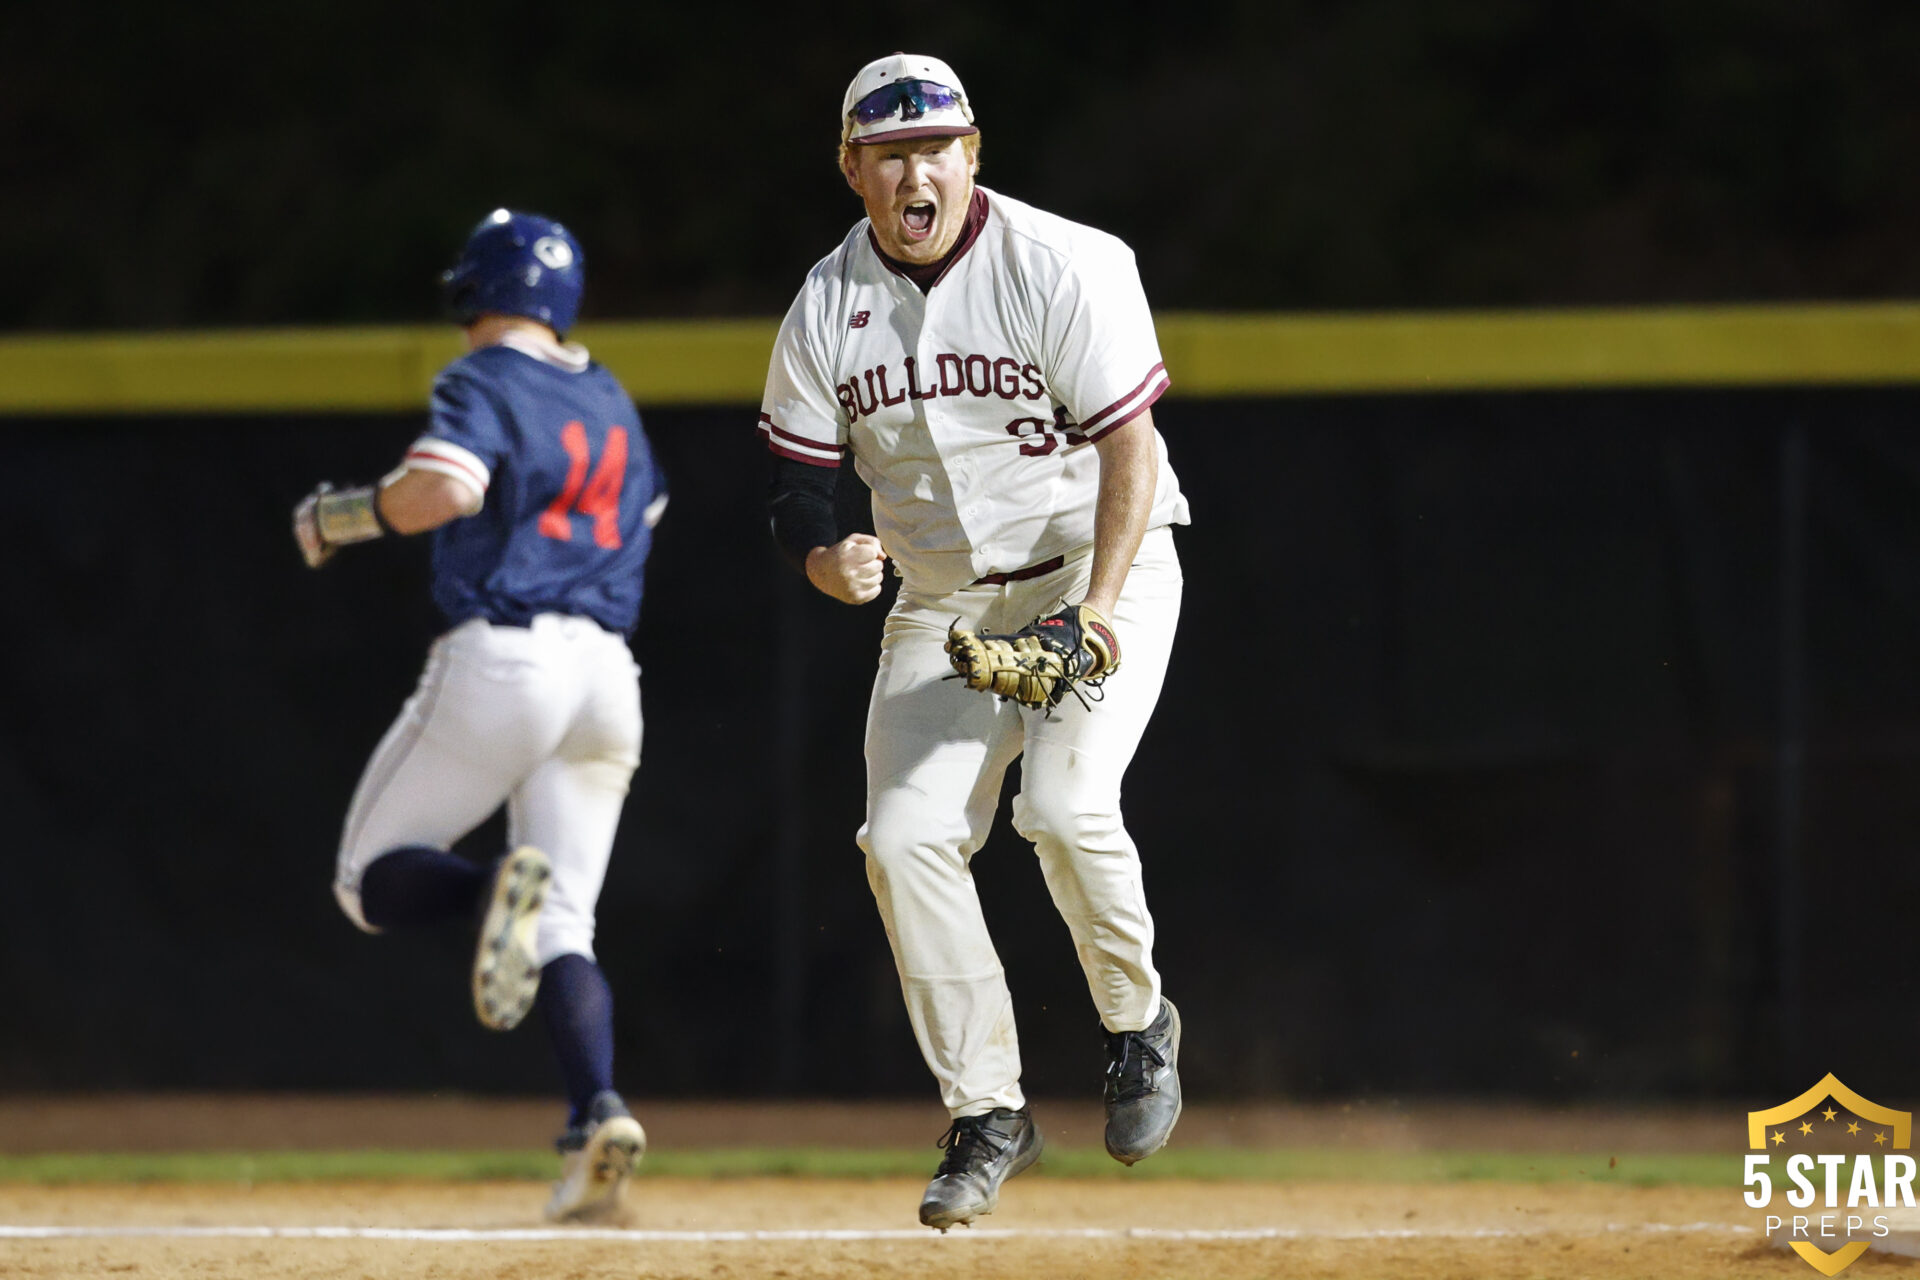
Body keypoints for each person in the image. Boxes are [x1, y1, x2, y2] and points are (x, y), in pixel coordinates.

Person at [759, 53, 1191, 1230]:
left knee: (1059, 803)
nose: (917, 168)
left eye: (937, 145)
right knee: (900, 838)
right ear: (852, 168)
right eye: (890, 151)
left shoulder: (1063, 262)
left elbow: (1130, 451)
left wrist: (1096, 609)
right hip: (943, 604)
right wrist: (819, 554)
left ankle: (1137, 1024)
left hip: (1102, 566)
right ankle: (989, 1111)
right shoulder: (824, 305)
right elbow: (798, 476)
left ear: (973, 154)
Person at [293, 208, 668, 1223]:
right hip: (607, 674)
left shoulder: (486, 378)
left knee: (366, 879)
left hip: (507, 655)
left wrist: (341, 515)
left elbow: (445, 488)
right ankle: (597, 1115)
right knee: (565, 921)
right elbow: (647, 517)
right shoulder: (612, 399)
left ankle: (487, 887)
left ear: (474, 291)